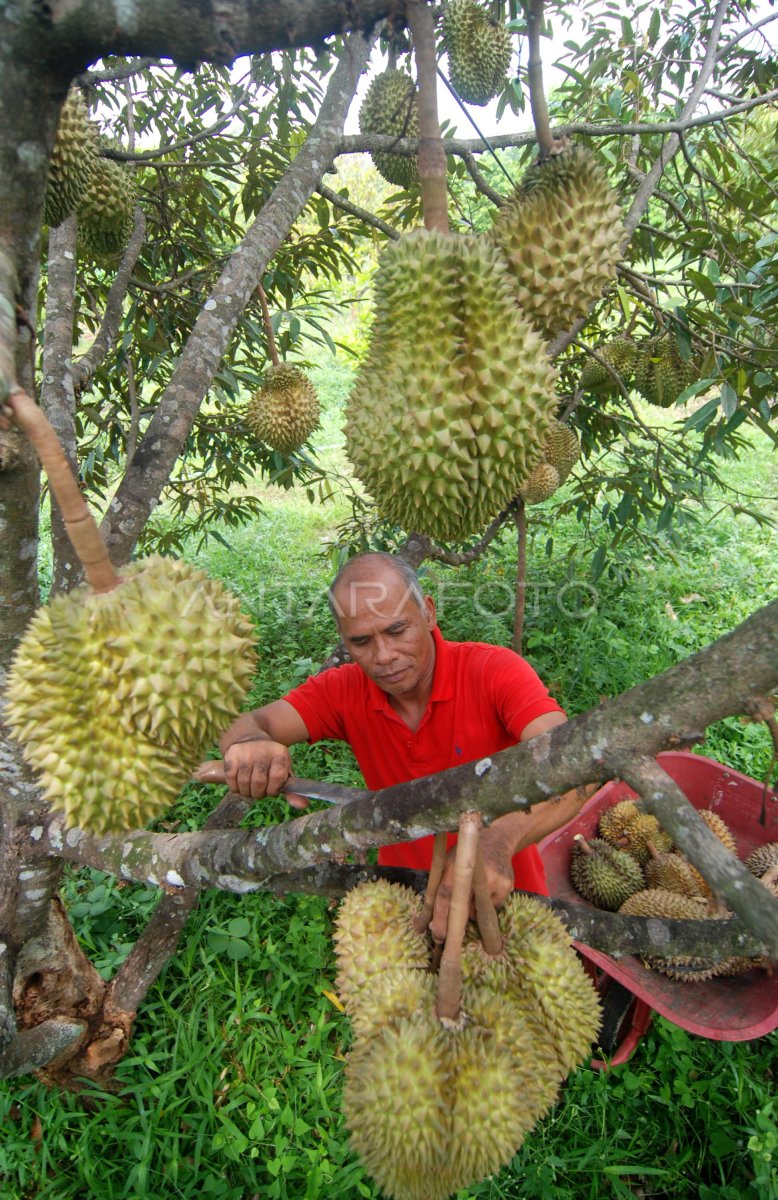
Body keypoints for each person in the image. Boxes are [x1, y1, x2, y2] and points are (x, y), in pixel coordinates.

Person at [217, 552, 582, 939]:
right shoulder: (343, 691)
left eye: (396, 631)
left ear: (427, 612)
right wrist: (250, 742)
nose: (384, 656)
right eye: (361, 642)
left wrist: (495, 843)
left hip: (509, 905)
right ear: (344, 640)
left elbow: (575, 768)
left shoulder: (494, 672)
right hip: (404, 904)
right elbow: (245, 722)